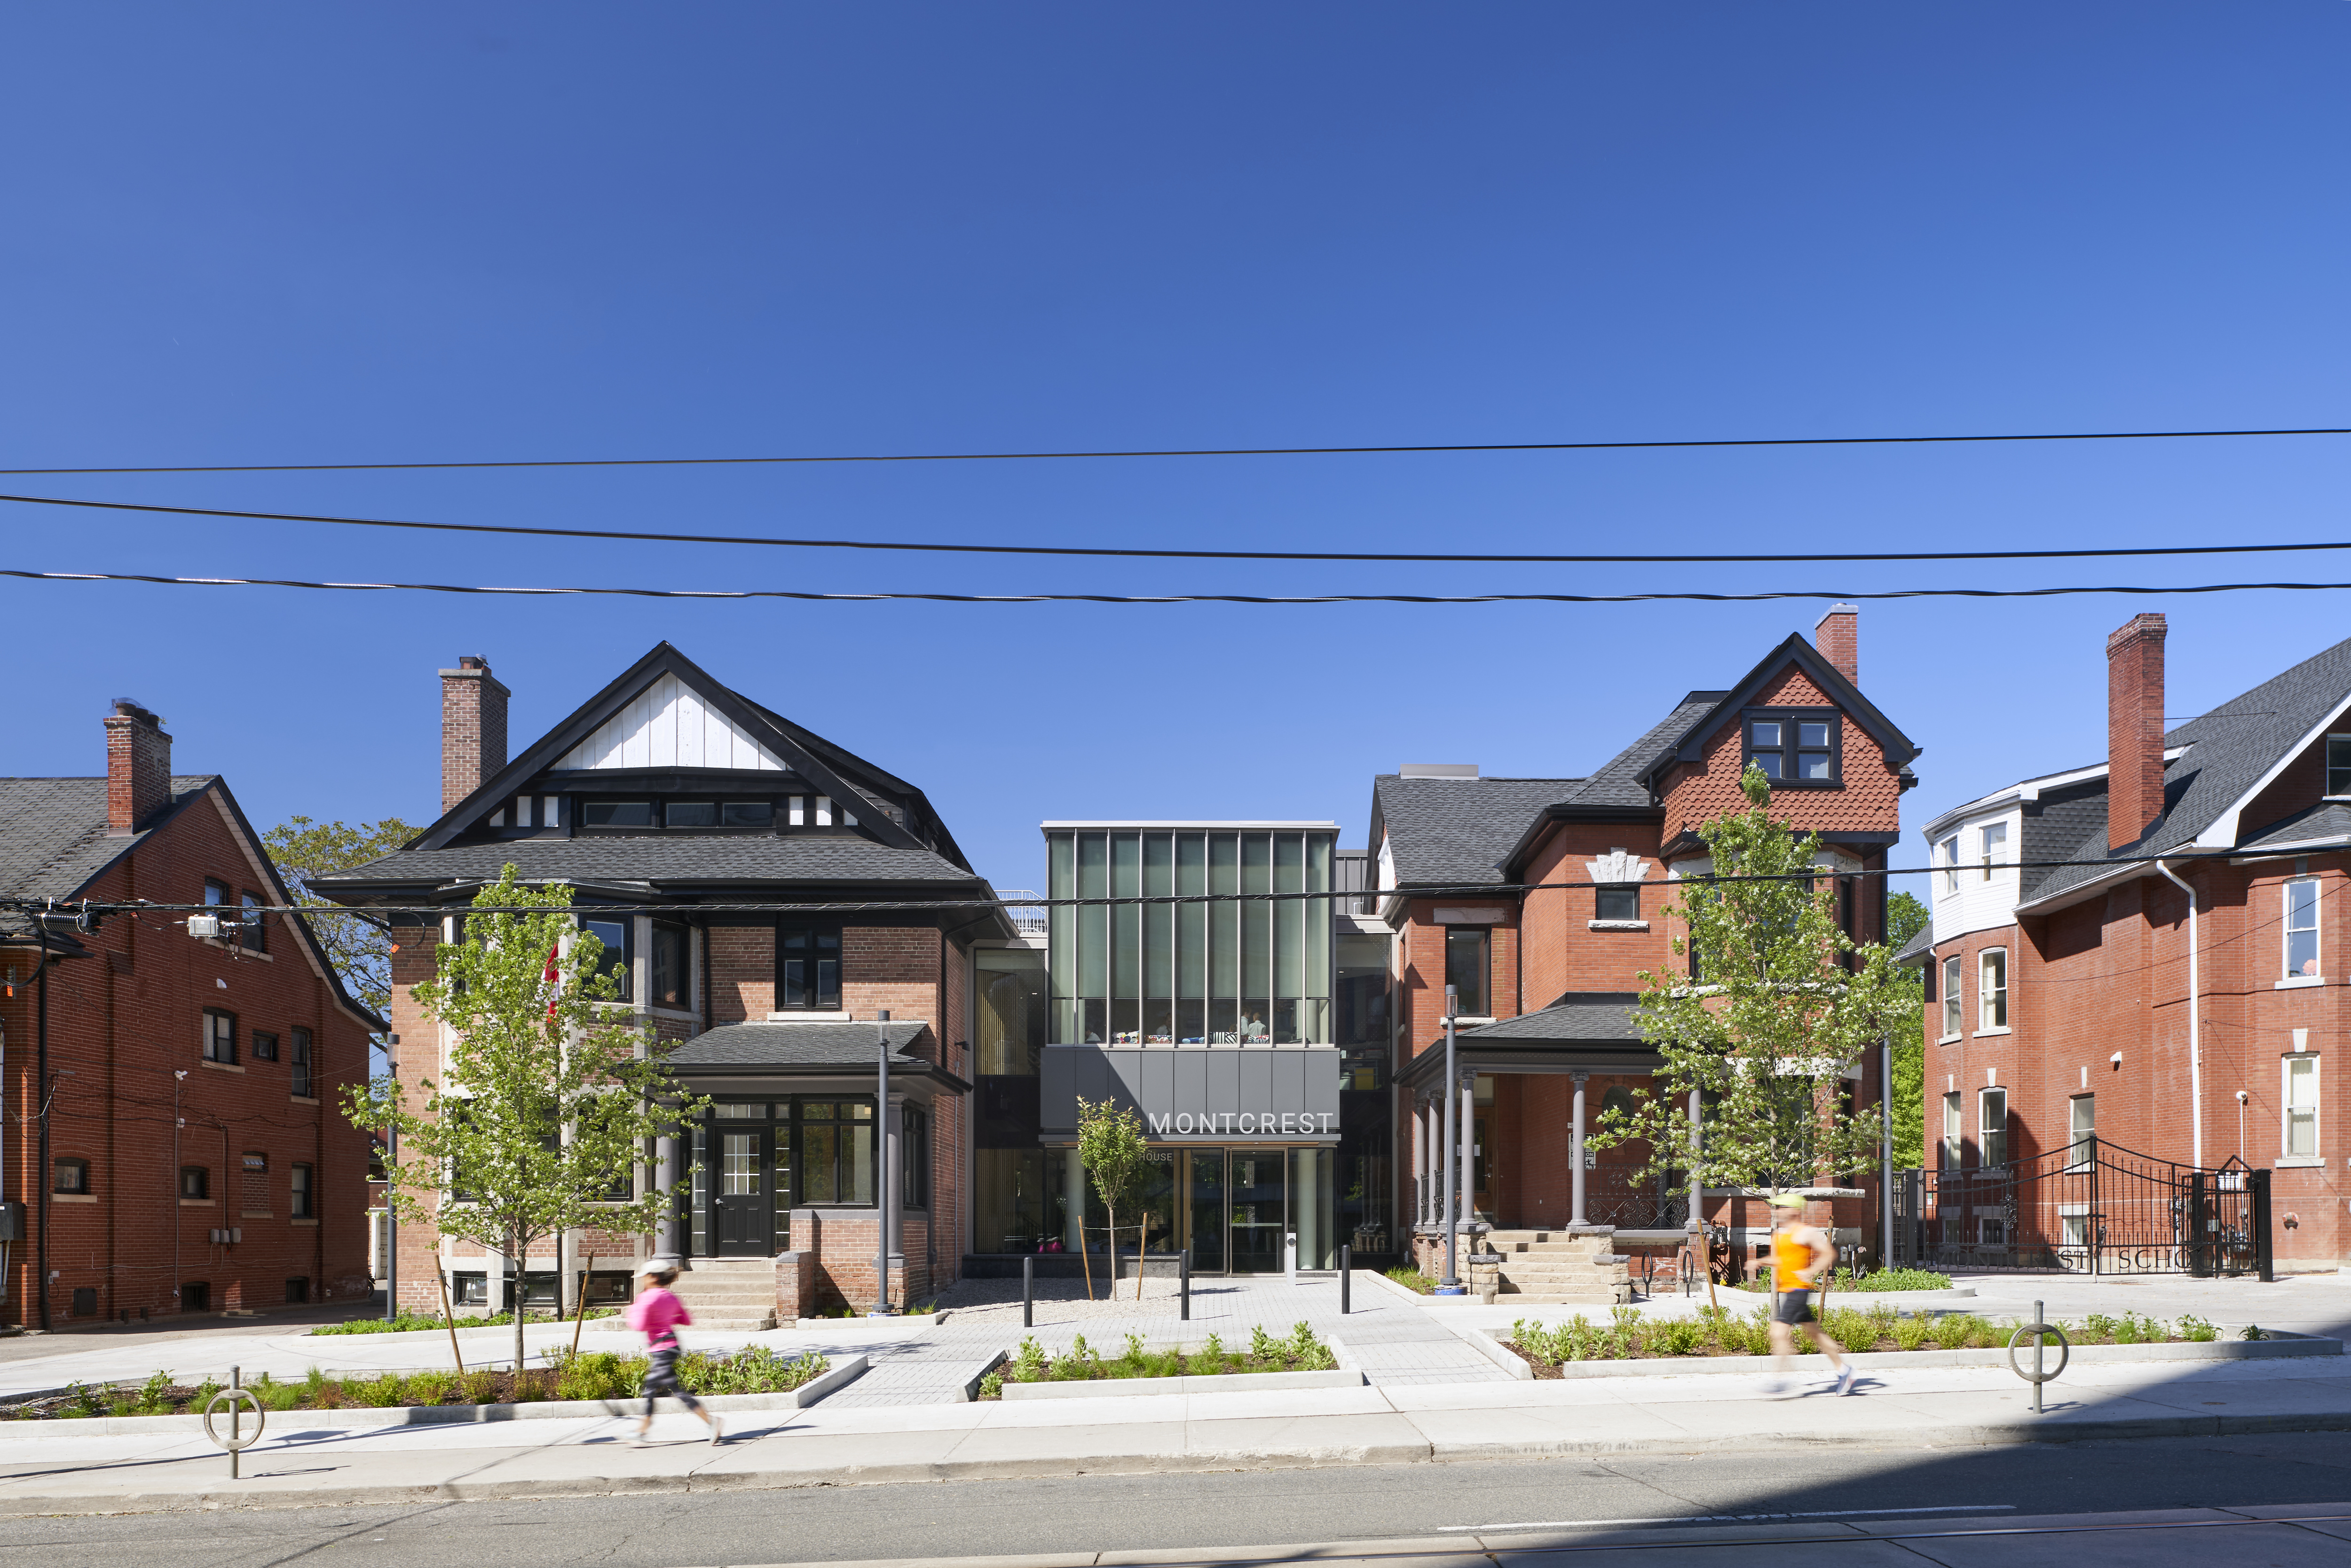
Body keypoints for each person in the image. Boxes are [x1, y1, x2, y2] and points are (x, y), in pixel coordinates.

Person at [1764, 1191, 1856, 1397]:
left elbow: (1829, 1253)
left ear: (1795, 1211)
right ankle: (1845, 1370)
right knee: (1816, 1334)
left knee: (1778, 1333)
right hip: (1788, 1290)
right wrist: (1760, 1261)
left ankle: (1780, 1380)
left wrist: (1809, 1271)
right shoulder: (1779, 1234)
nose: (1777, 1211)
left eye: (1781, 1207)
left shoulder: (1804, 1232)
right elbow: (1779, 1261)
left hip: (1799, 1290)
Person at [625, 1261, 722, 1446]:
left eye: (645, 1276)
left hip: (661, 1349)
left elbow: (639, 1325)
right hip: (671, 1346)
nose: (643, 1280)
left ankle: (711, 1422)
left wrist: (636, 1309)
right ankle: (642, 1430)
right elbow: (686, 1320)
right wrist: (665, 1317)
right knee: (659, 1390)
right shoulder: (670, 1296)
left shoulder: (647, 1298)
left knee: (655, 1390)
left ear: (653, 1277)